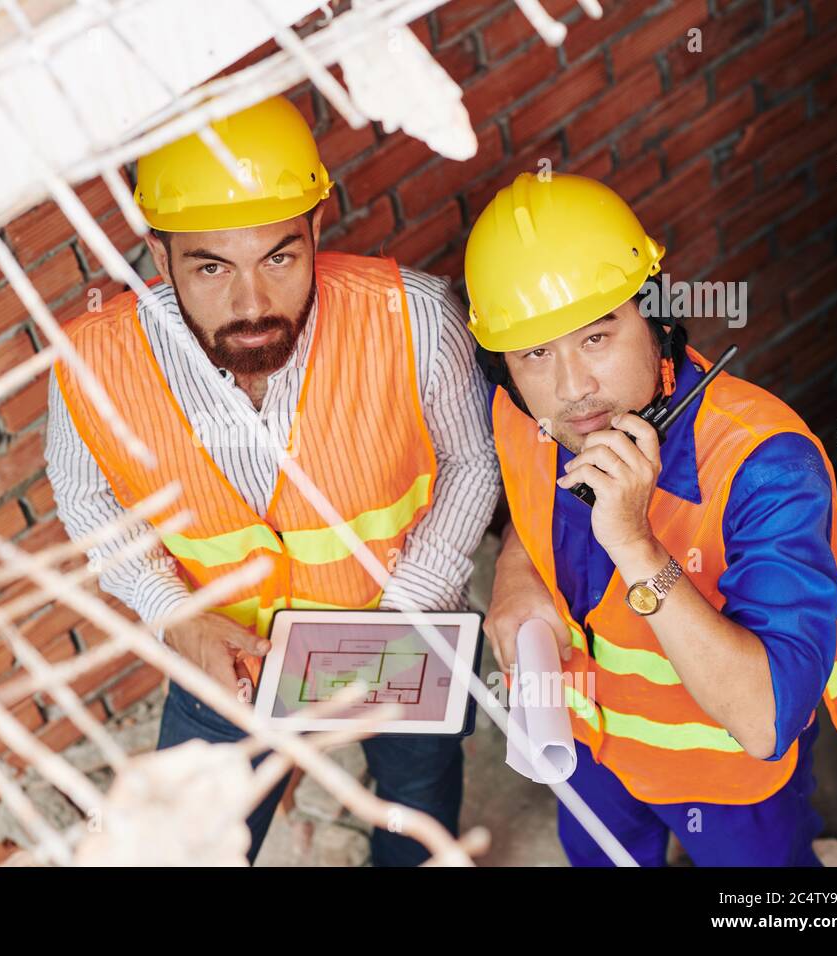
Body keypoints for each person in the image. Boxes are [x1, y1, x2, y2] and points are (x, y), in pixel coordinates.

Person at [45, 96, 500, 864]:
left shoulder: (416, 316)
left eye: (279, 258)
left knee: (415, 805)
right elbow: (88, 501)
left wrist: (403, 616)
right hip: (224, 657)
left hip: (404, 630)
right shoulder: (92, 361)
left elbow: (471, 462)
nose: (251, 305)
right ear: (160, 258)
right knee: (194, 846)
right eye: (212, 266)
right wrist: (174, 614)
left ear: (318, 227)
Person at [468, 171, 837, 866]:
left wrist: (634, 542)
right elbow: (530, 500)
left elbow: (763, 721)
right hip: (589, 746)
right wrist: (514, 565)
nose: (572, 389)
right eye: (536, 352)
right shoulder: (521, 409)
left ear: (656, 317)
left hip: (727, 783)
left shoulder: (766, 465)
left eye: (596, 338)